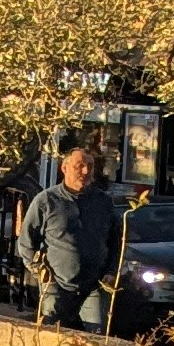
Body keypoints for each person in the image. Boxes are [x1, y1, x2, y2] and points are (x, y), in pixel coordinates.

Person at [28, 141, 125, 331]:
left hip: (95, 285)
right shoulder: (46, 200)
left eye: (90, 166)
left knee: (97, 338)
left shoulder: (103, 202)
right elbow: (26, 242)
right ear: (64, 168)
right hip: (56, 286)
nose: (85, 171)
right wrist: (38, 270)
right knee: (51, 335)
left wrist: (112, 271)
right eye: (79, 166)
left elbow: (116, 241)